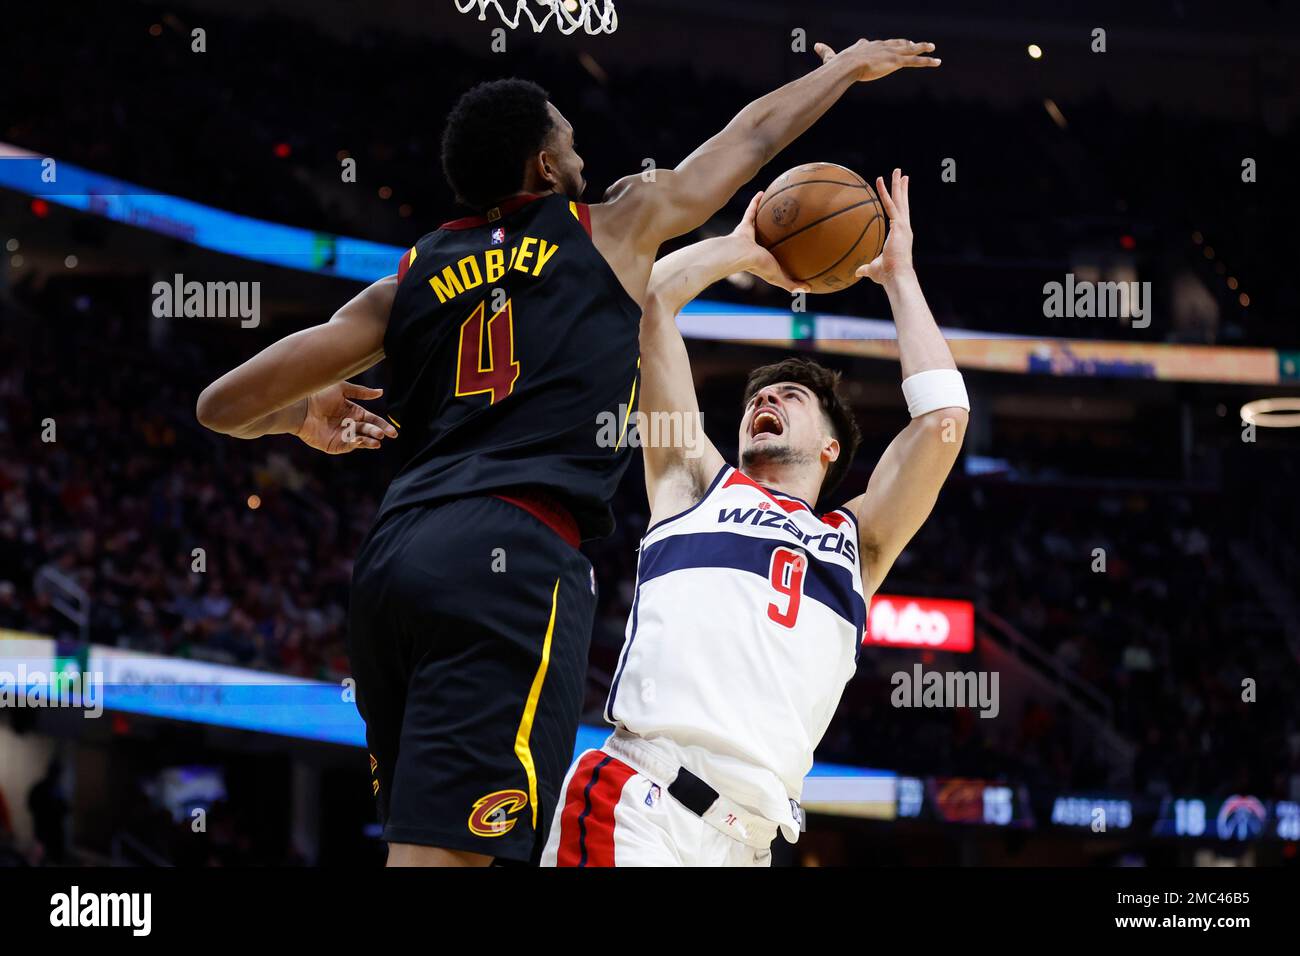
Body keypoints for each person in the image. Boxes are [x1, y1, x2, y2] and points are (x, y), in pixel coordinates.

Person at [196, 41, 941, 867]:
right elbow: (753, 140)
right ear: (547, 165)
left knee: (423, 847)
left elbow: (221, 405)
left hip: (394, 559)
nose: (587, 156)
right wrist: (843, 71)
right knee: (451, 857)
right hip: (510, 556)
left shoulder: (405, 280)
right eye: (574, 142)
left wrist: (301, 417)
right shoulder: (607, 229)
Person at [544, 171, 970, 866]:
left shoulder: (855, 546)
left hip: (751, 843)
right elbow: (650, 301)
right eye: (758, 395)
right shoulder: (691, 480)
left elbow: (944, 419)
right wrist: (741, 248)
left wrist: (899, 277)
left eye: (794, 394)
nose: (767, 395)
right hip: (642, 803)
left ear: (831, 447)